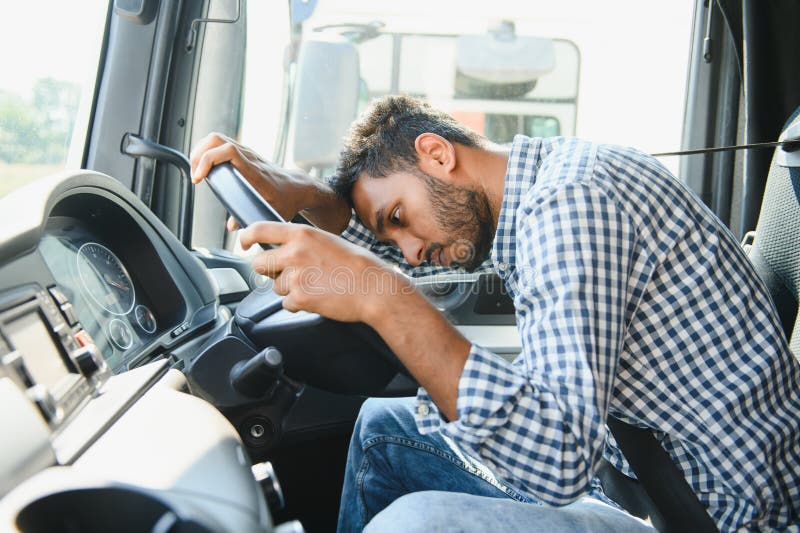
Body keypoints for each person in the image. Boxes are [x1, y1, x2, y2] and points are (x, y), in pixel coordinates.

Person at [190, 95, 800, 532]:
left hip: (712, 513)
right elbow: (381, 244)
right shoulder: (533, 193)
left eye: (397, 218)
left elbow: (560, 458)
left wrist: (387, 297)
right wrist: (298, 191)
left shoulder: (569, 205)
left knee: (415, 523)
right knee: (382, 429)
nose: (407, 253)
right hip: (638, 475)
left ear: (435, 154)